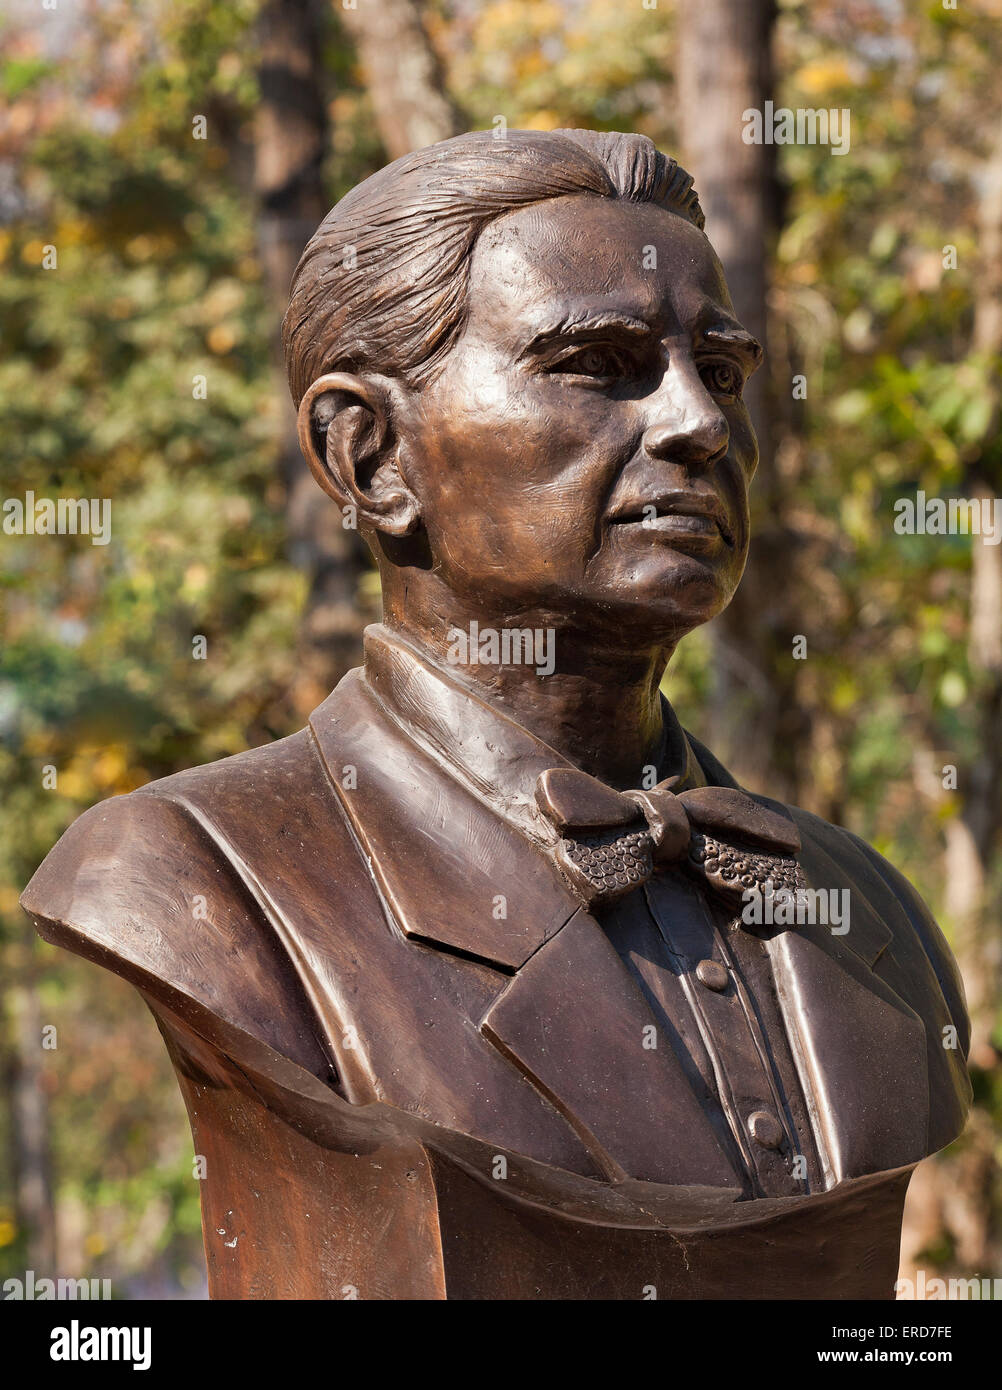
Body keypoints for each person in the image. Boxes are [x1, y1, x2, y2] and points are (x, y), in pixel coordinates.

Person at [23, 130, 971, 1300]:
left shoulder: (865, 909)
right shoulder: (192, 881)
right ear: (371, 455)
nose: (700, 424)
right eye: (601, 363)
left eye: (719, 371)